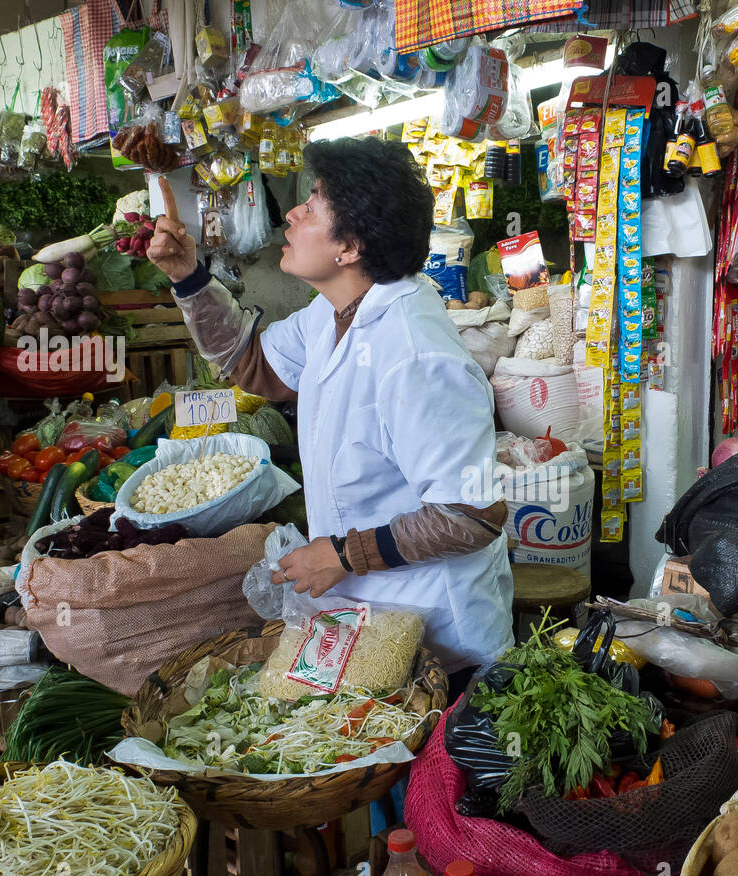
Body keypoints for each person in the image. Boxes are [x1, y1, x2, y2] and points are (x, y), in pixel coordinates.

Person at [148, 138, 513, 696]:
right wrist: (188, 277)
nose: (291, 214)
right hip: (373, 632)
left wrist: (345, 554)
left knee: (427, 781)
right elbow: (252, 364)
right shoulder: (334, 311)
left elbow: (471, 514)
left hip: (441, 646)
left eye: (313, 205)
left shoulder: (416, 356)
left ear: (351, 247)